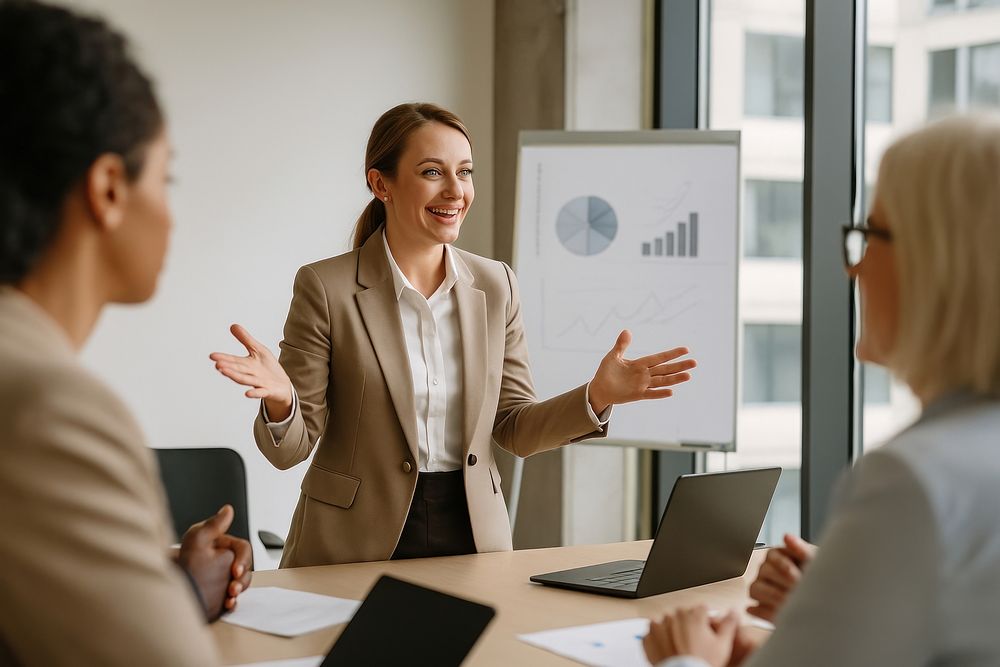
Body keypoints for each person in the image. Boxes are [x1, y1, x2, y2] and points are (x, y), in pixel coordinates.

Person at [211, 102, 697, 567]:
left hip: (471, 534)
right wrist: (281, 399)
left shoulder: (496, 284)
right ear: (381, 184)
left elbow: (514, 428)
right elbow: (289, 450)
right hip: (352, 540)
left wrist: (596, 396)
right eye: (431, 172)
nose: (455, 190)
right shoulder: (327, 287)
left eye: (464, 172)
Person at [643, 114, 1000, 667]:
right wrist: (843, 607)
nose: (855, 266)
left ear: (936, 261)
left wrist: (685, 660)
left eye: (873, 234)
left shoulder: (914, 482)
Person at [0, 2, 252, 664]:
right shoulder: (49, 408)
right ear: (108, 187)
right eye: (163, 177)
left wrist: (164, 584)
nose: (171, 215)